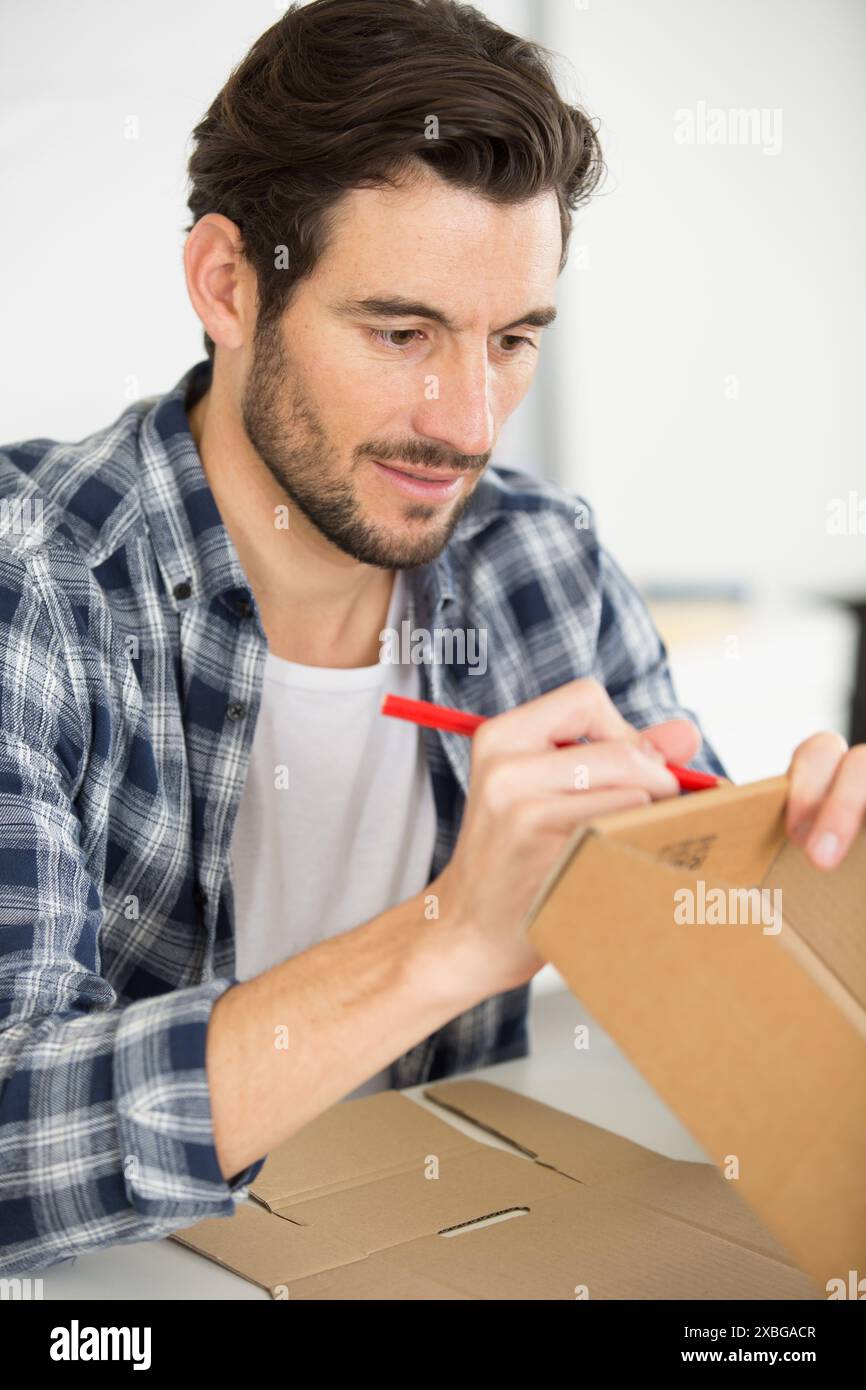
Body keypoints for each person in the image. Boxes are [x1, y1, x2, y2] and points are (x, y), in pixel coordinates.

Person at [0, 0, 860, 1277]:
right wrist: (450, 933)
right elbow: (14, 1141)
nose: (464, 423)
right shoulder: (39, 590)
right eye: (400, 332)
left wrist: (811, 909)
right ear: (227, 284)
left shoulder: (538, 562)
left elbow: (704, 998)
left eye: (510, 341)